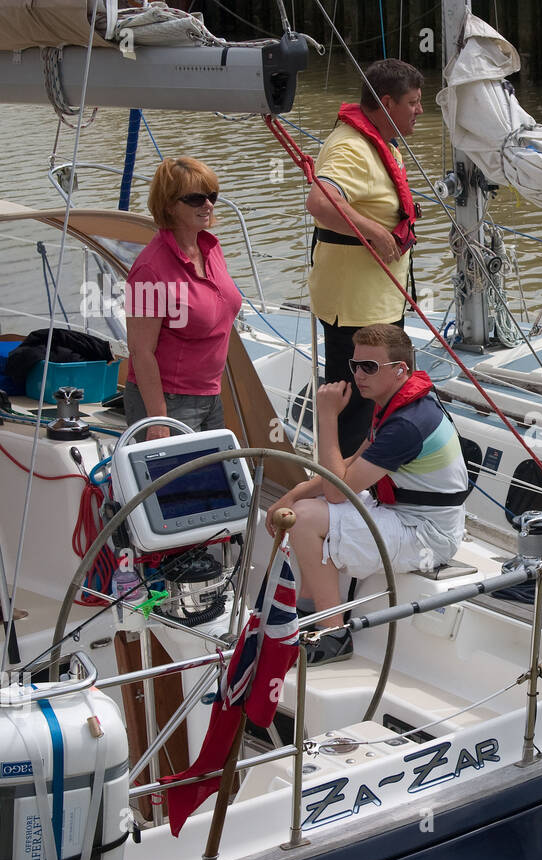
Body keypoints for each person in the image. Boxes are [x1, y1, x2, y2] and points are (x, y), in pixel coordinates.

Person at [271, 324, 468, 665]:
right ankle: (306, 611)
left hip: (427, 535)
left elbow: (336, 490)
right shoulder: (395, 402)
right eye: (355, 366)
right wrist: (293, 494)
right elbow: (350, 465)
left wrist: (327, 416)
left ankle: (333, 635)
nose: (359, 375)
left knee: (305, 519)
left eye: (370, 367)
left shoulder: (407, 424)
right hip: (410, 517)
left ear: (400, 370)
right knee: (305, 506)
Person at [307, 58, 423, 458]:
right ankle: (340, 499)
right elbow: (321, 202)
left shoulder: (384, 143)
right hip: (355, 311)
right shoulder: (351, 146)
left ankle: (372, 484)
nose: (420, 111)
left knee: (383, 399)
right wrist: (374, 230)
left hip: (378, 303)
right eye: (413, 102)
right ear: (387, 103)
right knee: (353, 408)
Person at [124, 157, 241, 441]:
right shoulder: (149, 270)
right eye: (195, 198)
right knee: (176, 486)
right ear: (169, 206)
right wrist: (157, 419)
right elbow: (141, 352)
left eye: (211, 196)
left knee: (214, 482)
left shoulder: (211, 248)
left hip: (210, 397)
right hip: (168, 403)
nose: (208, 205)